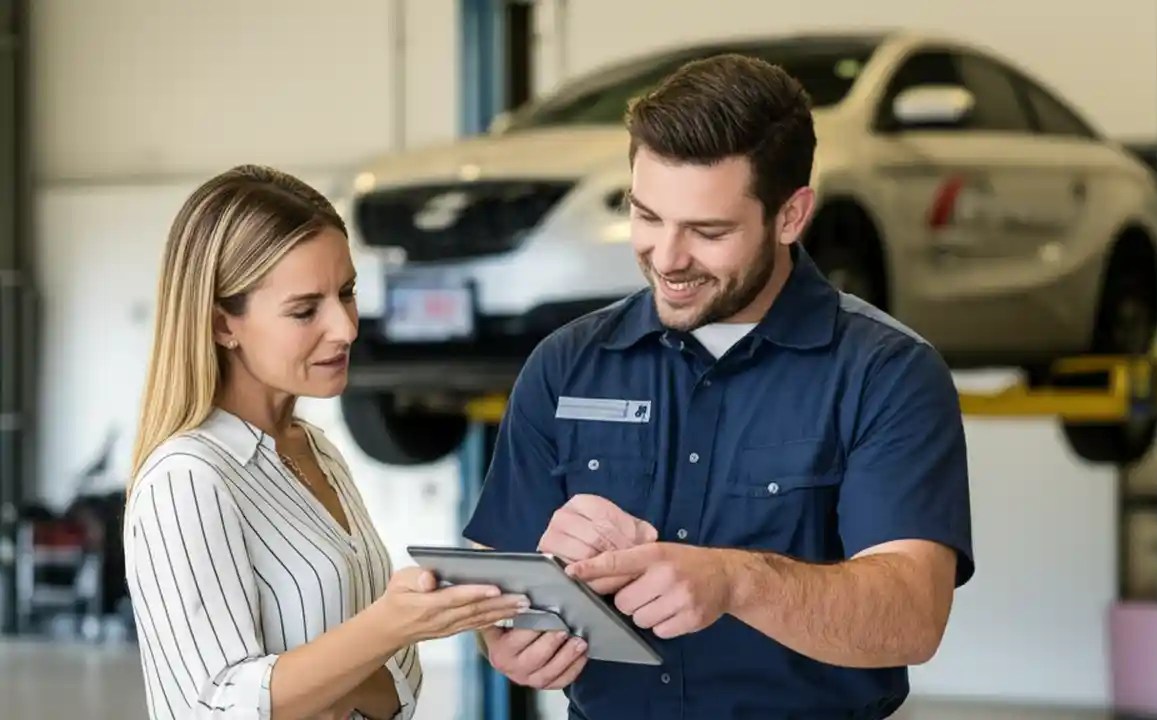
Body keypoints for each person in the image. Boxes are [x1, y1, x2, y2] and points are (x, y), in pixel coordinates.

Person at [462, 53, 974, 719]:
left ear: (791, 217)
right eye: (646, 216)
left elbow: (911, 617)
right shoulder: (566, 365)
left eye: (707, 232)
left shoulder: (887, 373)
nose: (667, 258)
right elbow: (494, 571)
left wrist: (734, 582)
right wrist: (501, 636)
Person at [123, 165, 529, 720]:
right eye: (305, 310)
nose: (345, 328)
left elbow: (399, 685)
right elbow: (215, 708)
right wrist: (385, 629)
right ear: (223, 325)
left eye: (347, 293)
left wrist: (374, 650)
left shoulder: (315, 450)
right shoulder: (187, 478)